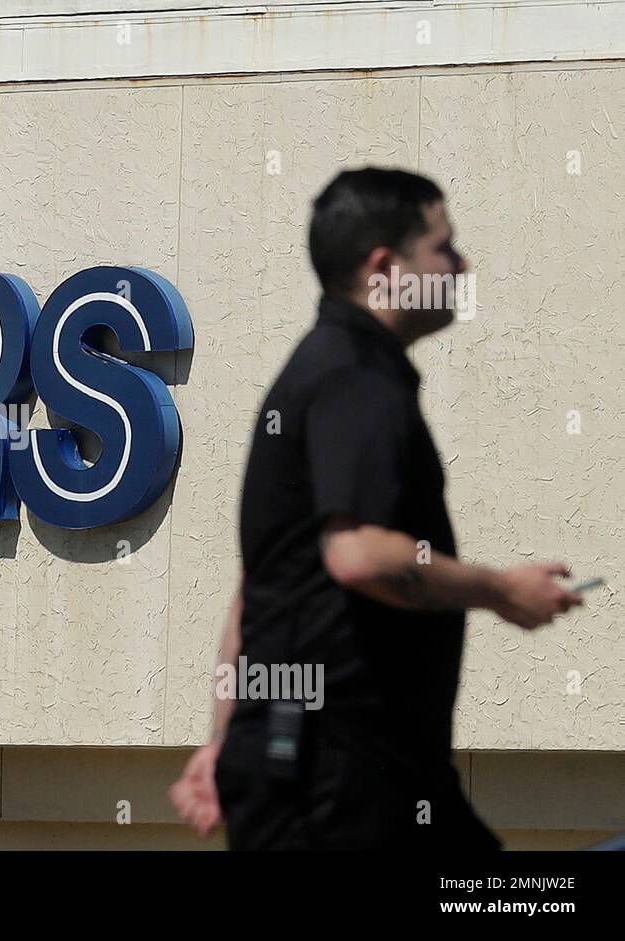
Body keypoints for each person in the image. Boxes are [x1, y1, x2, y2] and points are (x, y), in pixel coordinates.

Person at [167, 167, 584, 850]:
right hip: (342, 782)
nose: (461, 263)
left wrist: (223, 740)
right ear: (387, 267)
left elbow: (261, 588)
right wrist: (502, 590)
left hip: (339, 769)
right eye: (443, 247)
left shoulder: (332, 366)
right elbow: (357, 554)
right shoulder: (355, 375)